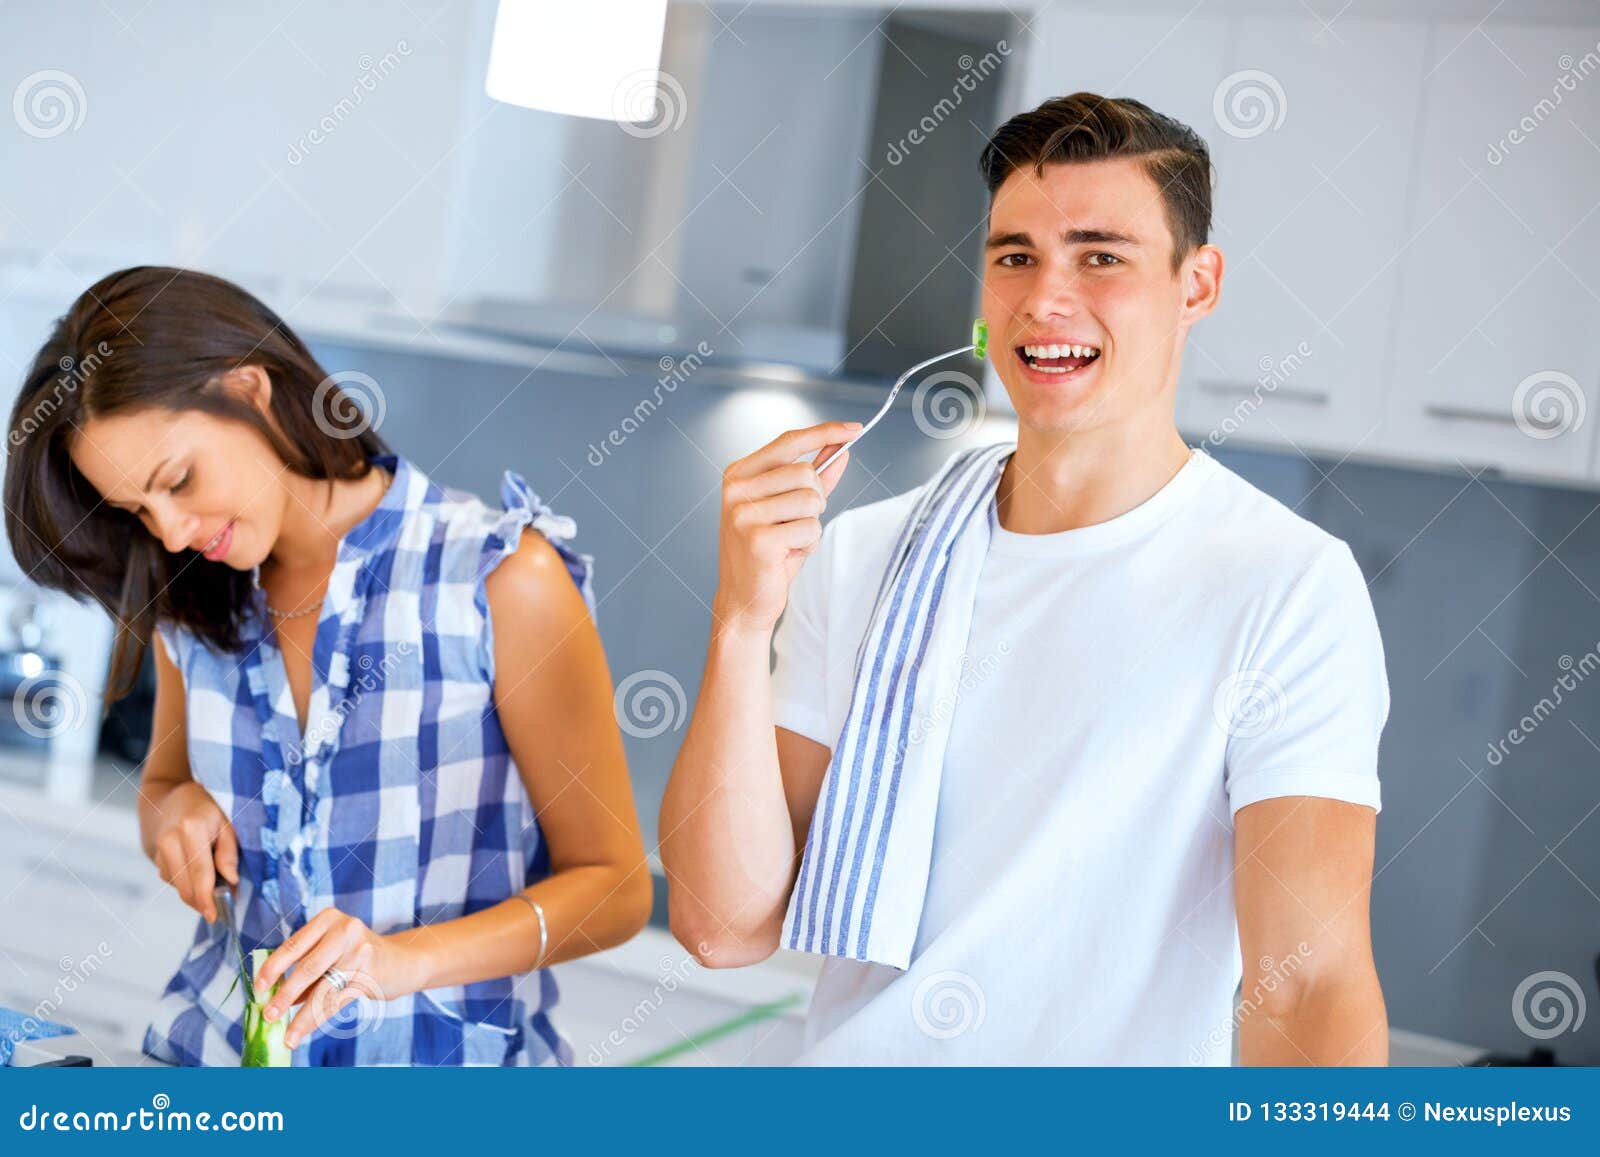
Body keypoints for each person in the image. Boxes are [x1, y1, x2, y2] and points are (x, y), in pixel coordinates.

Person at [660, 93, 1390, 1065]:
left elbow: (1305, 983)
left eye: (1100, 257)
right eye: (1014, 257)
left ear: (1197, 284)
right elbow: (722, 926)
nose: (1044, 298)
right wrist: (740, 620)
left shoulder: (1286, 586)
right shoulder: (866, 552)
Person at [4, 266, 652, 1065]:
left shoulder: (496, 576)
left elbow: (616, 885)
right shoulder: (193, 600)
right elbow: (165, 785)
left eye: (178, 481)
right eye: (138, 510)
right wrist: (172, 813)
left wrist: (401, 960)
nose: (169, 532)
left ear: (248, 390)